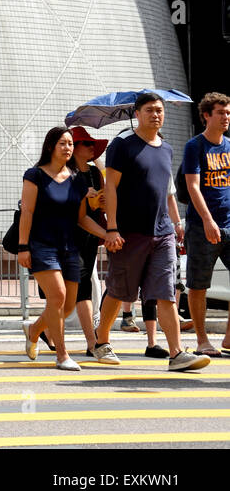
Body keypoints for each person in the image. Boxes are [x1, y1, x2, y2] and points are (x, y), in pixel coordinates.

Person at [91, 93, 209, 372]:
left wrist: (175, 223)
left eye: (159, 110)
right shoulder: (122, 145)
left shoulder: (166, 148)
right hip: (129, 233)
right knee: (120, 292)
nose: (156, 115)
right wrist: (112, 227)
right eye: (150, 110)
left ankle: (177, 353)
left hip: (163, 233)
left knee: (165, 292)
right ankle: (102, 342)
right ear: (137, 114)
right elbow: (111, 188)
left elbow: (165, 192)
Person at [17, 128, 111, 371]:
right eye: (62, 143)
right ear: (50, 146)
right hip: (42, 245)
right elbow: (26, 212)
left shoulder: (77, 180)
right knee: (57, 297)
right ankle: (62, 355)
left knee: (68, 305)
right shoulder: (35, 175)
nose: (68, 148)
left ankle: (35, 329)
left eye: (70, 144)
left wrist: (108, 234)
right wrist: (23, 247)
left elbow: (82, 218)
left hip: (70, 248)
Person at [181, 91, 230, 357]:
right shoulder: (195, 146)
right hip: (202, 227)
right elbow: (193, 186)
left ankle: (229, 338)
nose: (226, 118)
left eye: (228, 113)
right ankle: (202, 340)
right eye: (221, 113)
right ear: (206, 116)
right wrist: (208, 220)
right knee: (199, 285)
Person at [67, 126, 109, 360]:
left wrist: (100, 200)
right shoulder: (65, 173)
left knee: (68, 292)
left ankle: (39, 330)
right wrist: (83, 196)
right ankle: (92, 342)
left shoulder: (95, 173)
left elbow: (105, 202)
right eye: (86, 143)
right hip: (69, 235)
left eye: (92, 143)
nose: (91, 147)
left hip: (91, 235)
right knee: (81, 286)